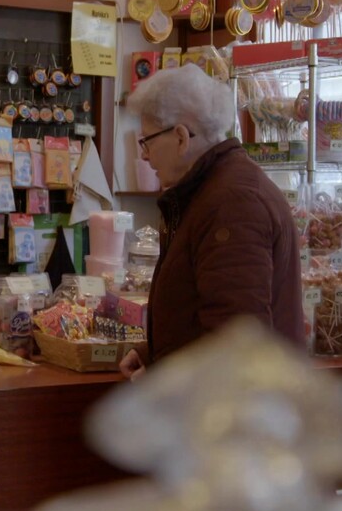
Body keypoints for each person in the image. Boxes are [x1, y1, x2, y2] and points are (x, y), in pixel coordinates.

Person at [118, 64, 303, 380]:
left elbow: (236, 343)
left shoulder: (232, 204)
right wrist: (156, 355)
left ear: (180, 137)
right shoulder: (211, 192)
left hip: (237, 407)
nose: (145, 156)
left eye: (146, 141)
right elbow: (205, 312)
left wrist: (165, 378)